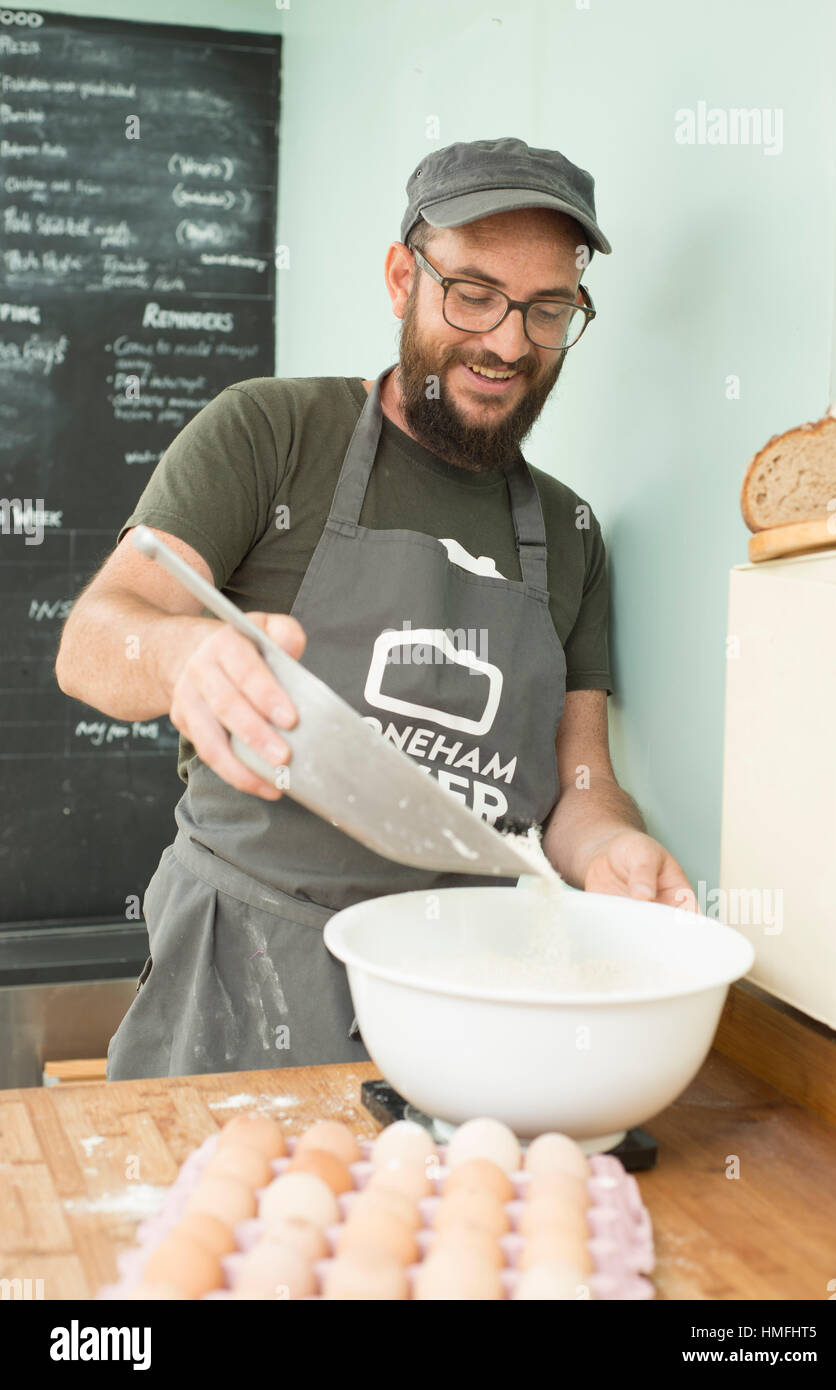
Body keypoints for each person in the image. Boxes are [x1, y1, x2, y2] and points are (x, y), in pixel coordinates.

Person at [55, 137, 694, 1081]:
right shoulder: (270, 432)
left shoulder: (570, 531)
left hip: (464, 993)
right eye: (472, 293)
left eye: (547, 309)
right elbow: (92, 643)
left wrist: (612, 850)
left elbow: (579, 786)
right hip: (243, 970)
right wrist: (180, 655)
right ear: (403, 277)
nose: (508, 342)